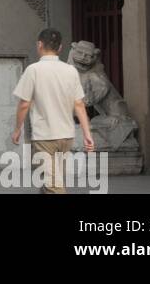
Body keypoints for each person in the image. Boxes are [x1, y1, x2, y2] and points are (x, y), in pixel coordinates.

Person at [11, 28, 95, 194]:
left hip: (45, 137)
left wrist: (17, 129)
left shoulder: (33, 70)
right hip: (66, 137)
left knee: (54, 186)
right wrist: (87, 133)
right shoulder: (70, 71)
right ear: (61, 48)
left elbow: (24, 104)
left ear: (39, 45)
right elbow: (79, 104)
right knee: (51, 180)